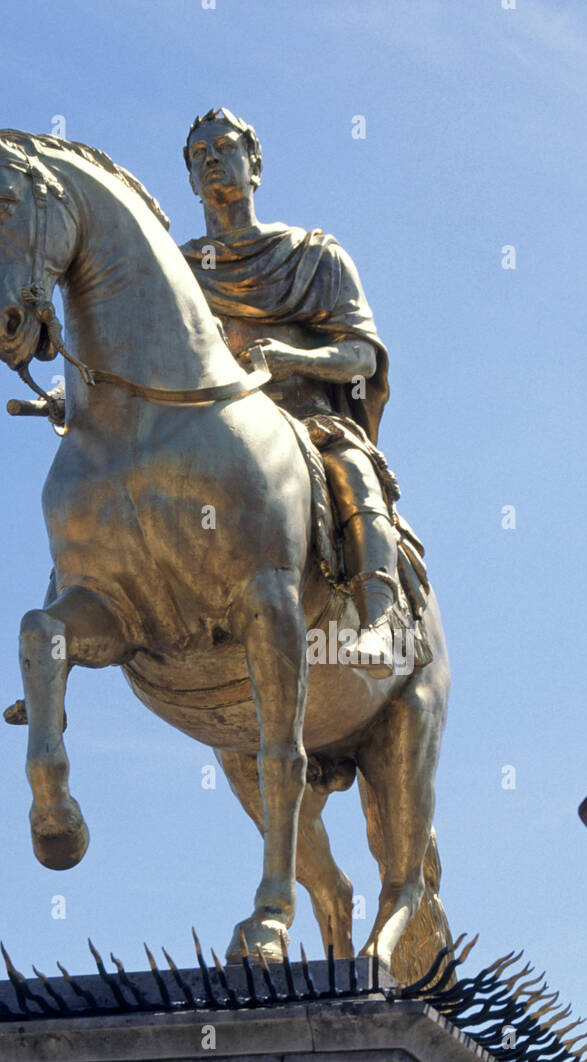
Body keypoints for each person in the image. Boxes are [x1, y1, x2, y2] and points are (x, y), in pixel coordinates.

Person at [180, 107, 415, 679]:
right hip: (209, 431)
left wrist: (291, 357)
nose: (211, 159)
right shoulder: (178, 271)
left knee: (353, 468)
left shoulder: (313, 257)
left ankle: (381, 622)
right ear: (189, 180)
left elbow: (361, 356)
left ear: (254, 163)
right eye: (197, 155)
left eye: (224, 147)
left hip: (305, 422)